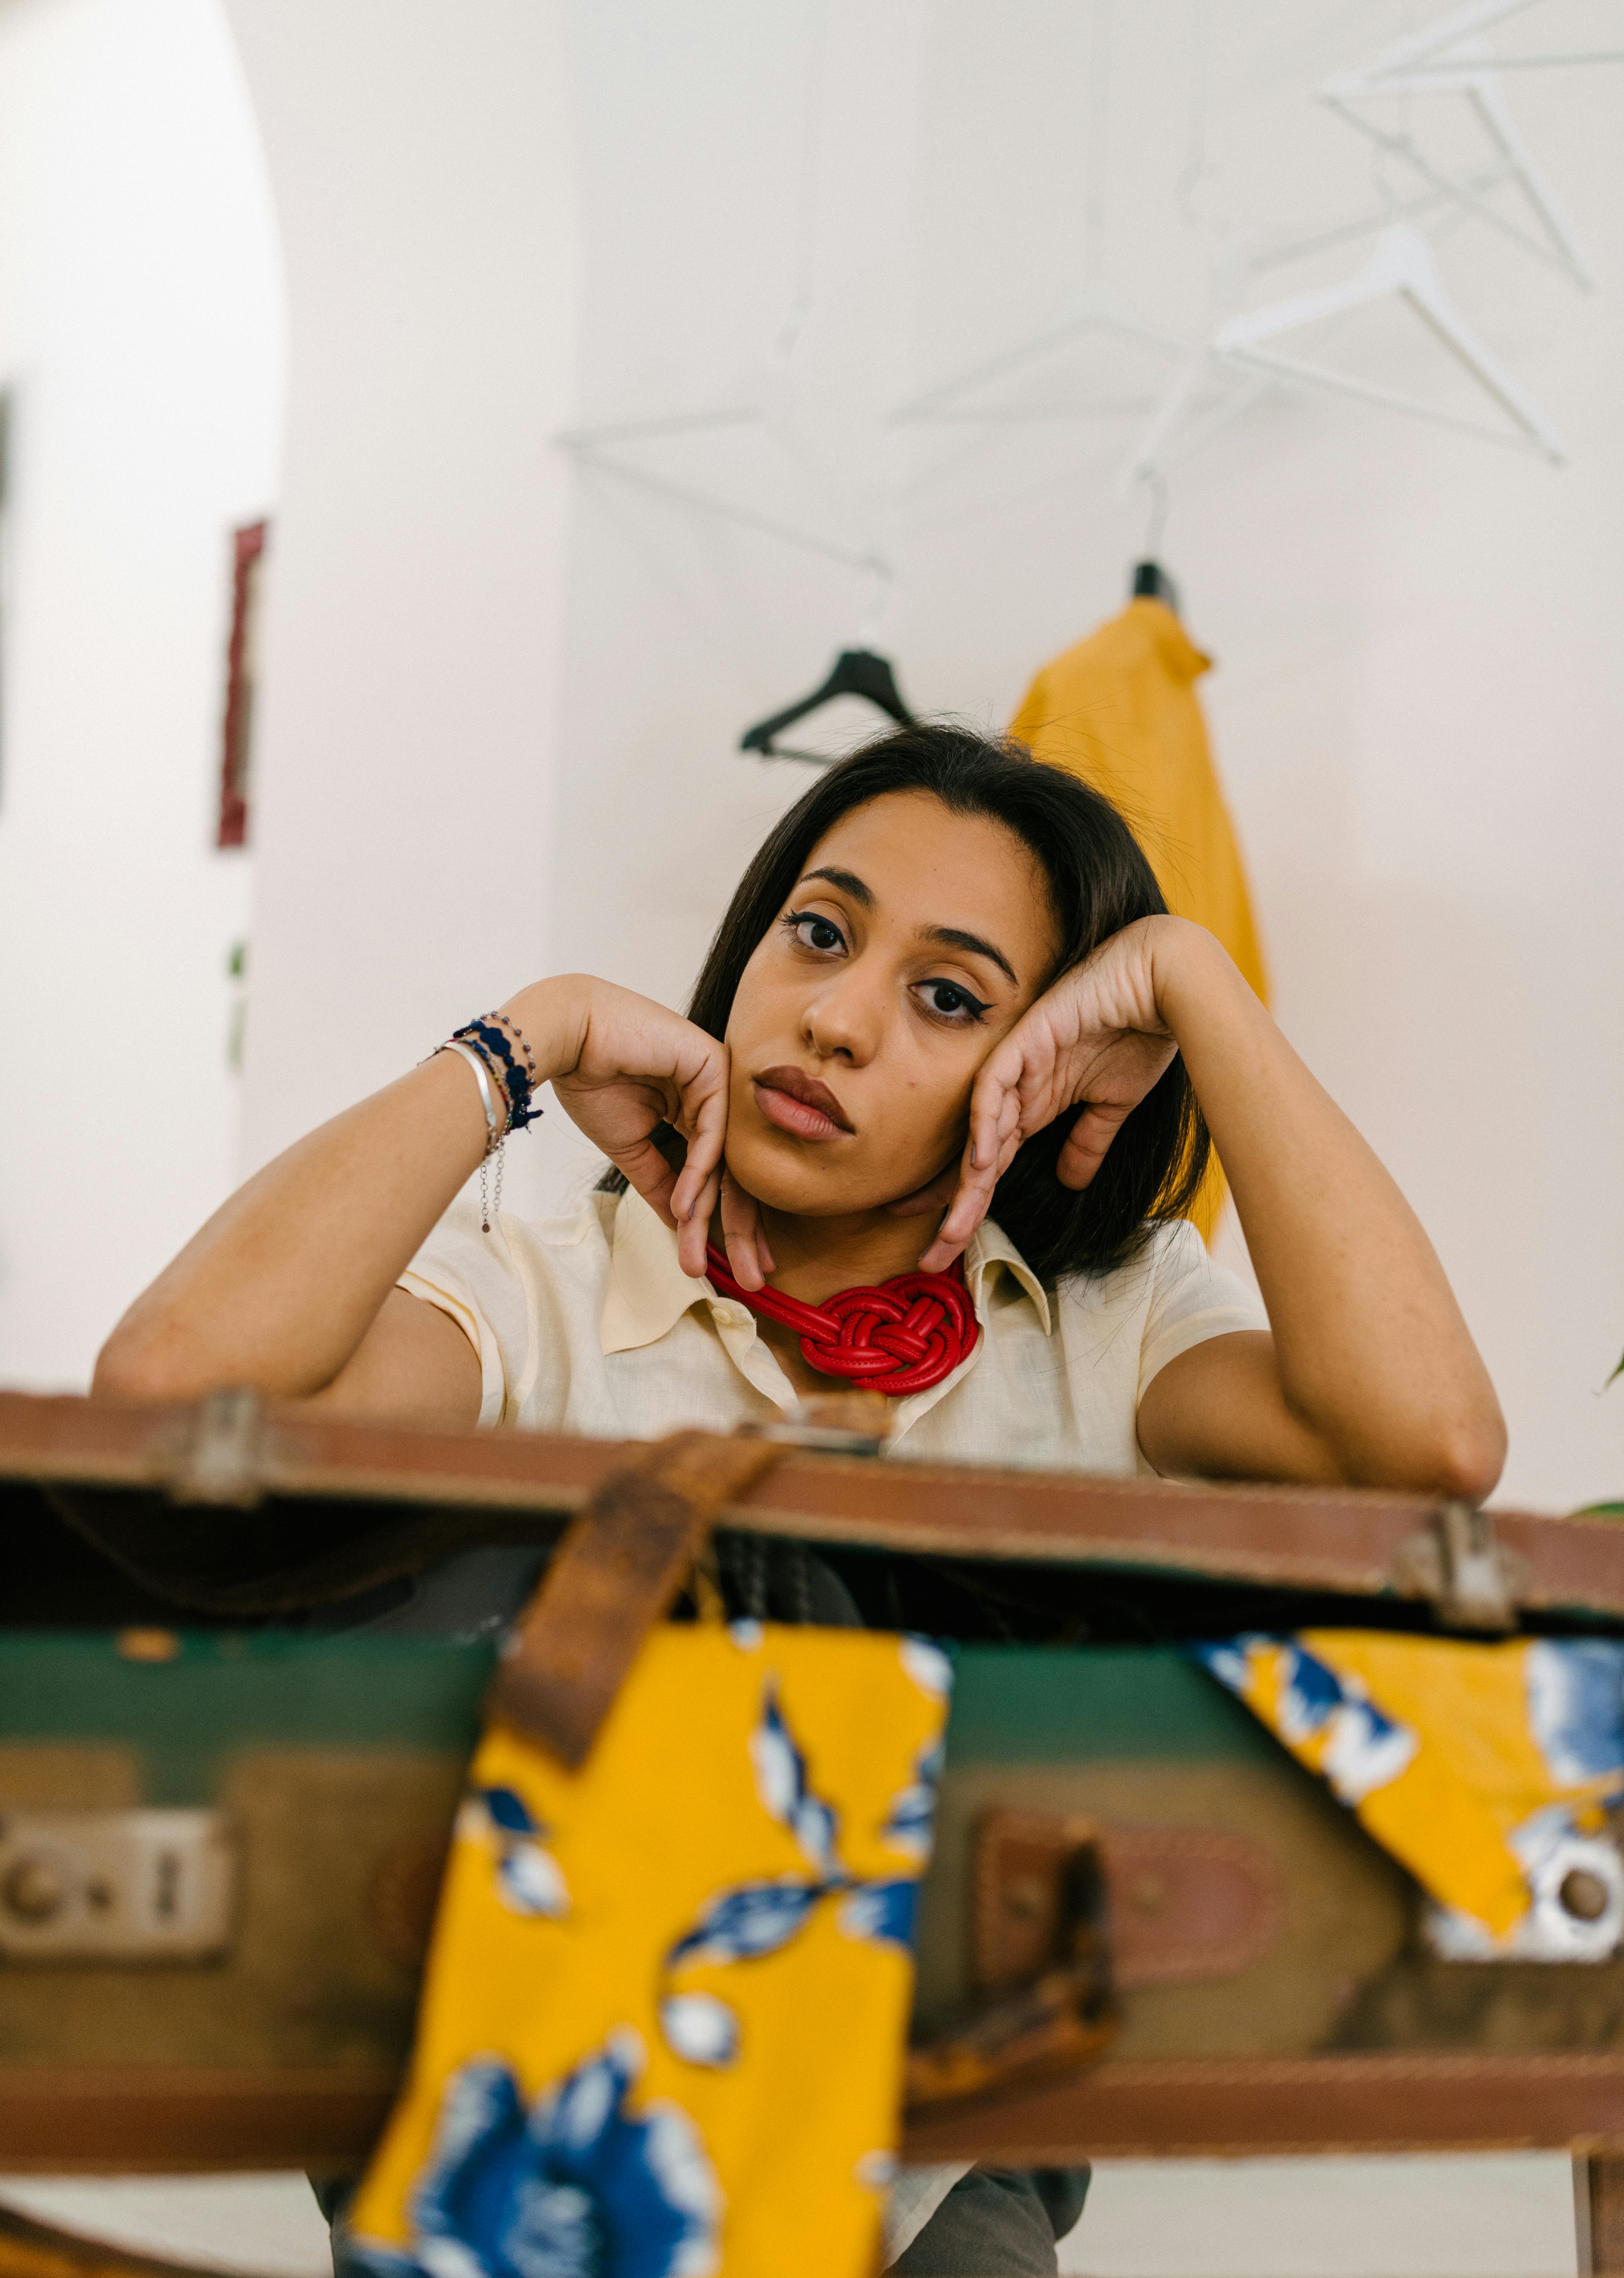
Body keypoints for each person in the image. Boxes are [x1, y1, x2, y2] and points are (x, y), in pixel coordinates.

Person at [95, 723, 1505, 2275]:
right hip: (510, 2078)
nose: (833, 1021)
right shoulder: (549, 1280)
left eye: (948, 996)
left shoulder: (1101, 1319)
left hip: (933, 2139)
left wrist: (1193, 981)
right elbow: (171, 1393)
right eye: (817, 934)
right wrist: (525, 1036)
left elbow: (1428, 1445)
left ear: (1043, 1065)